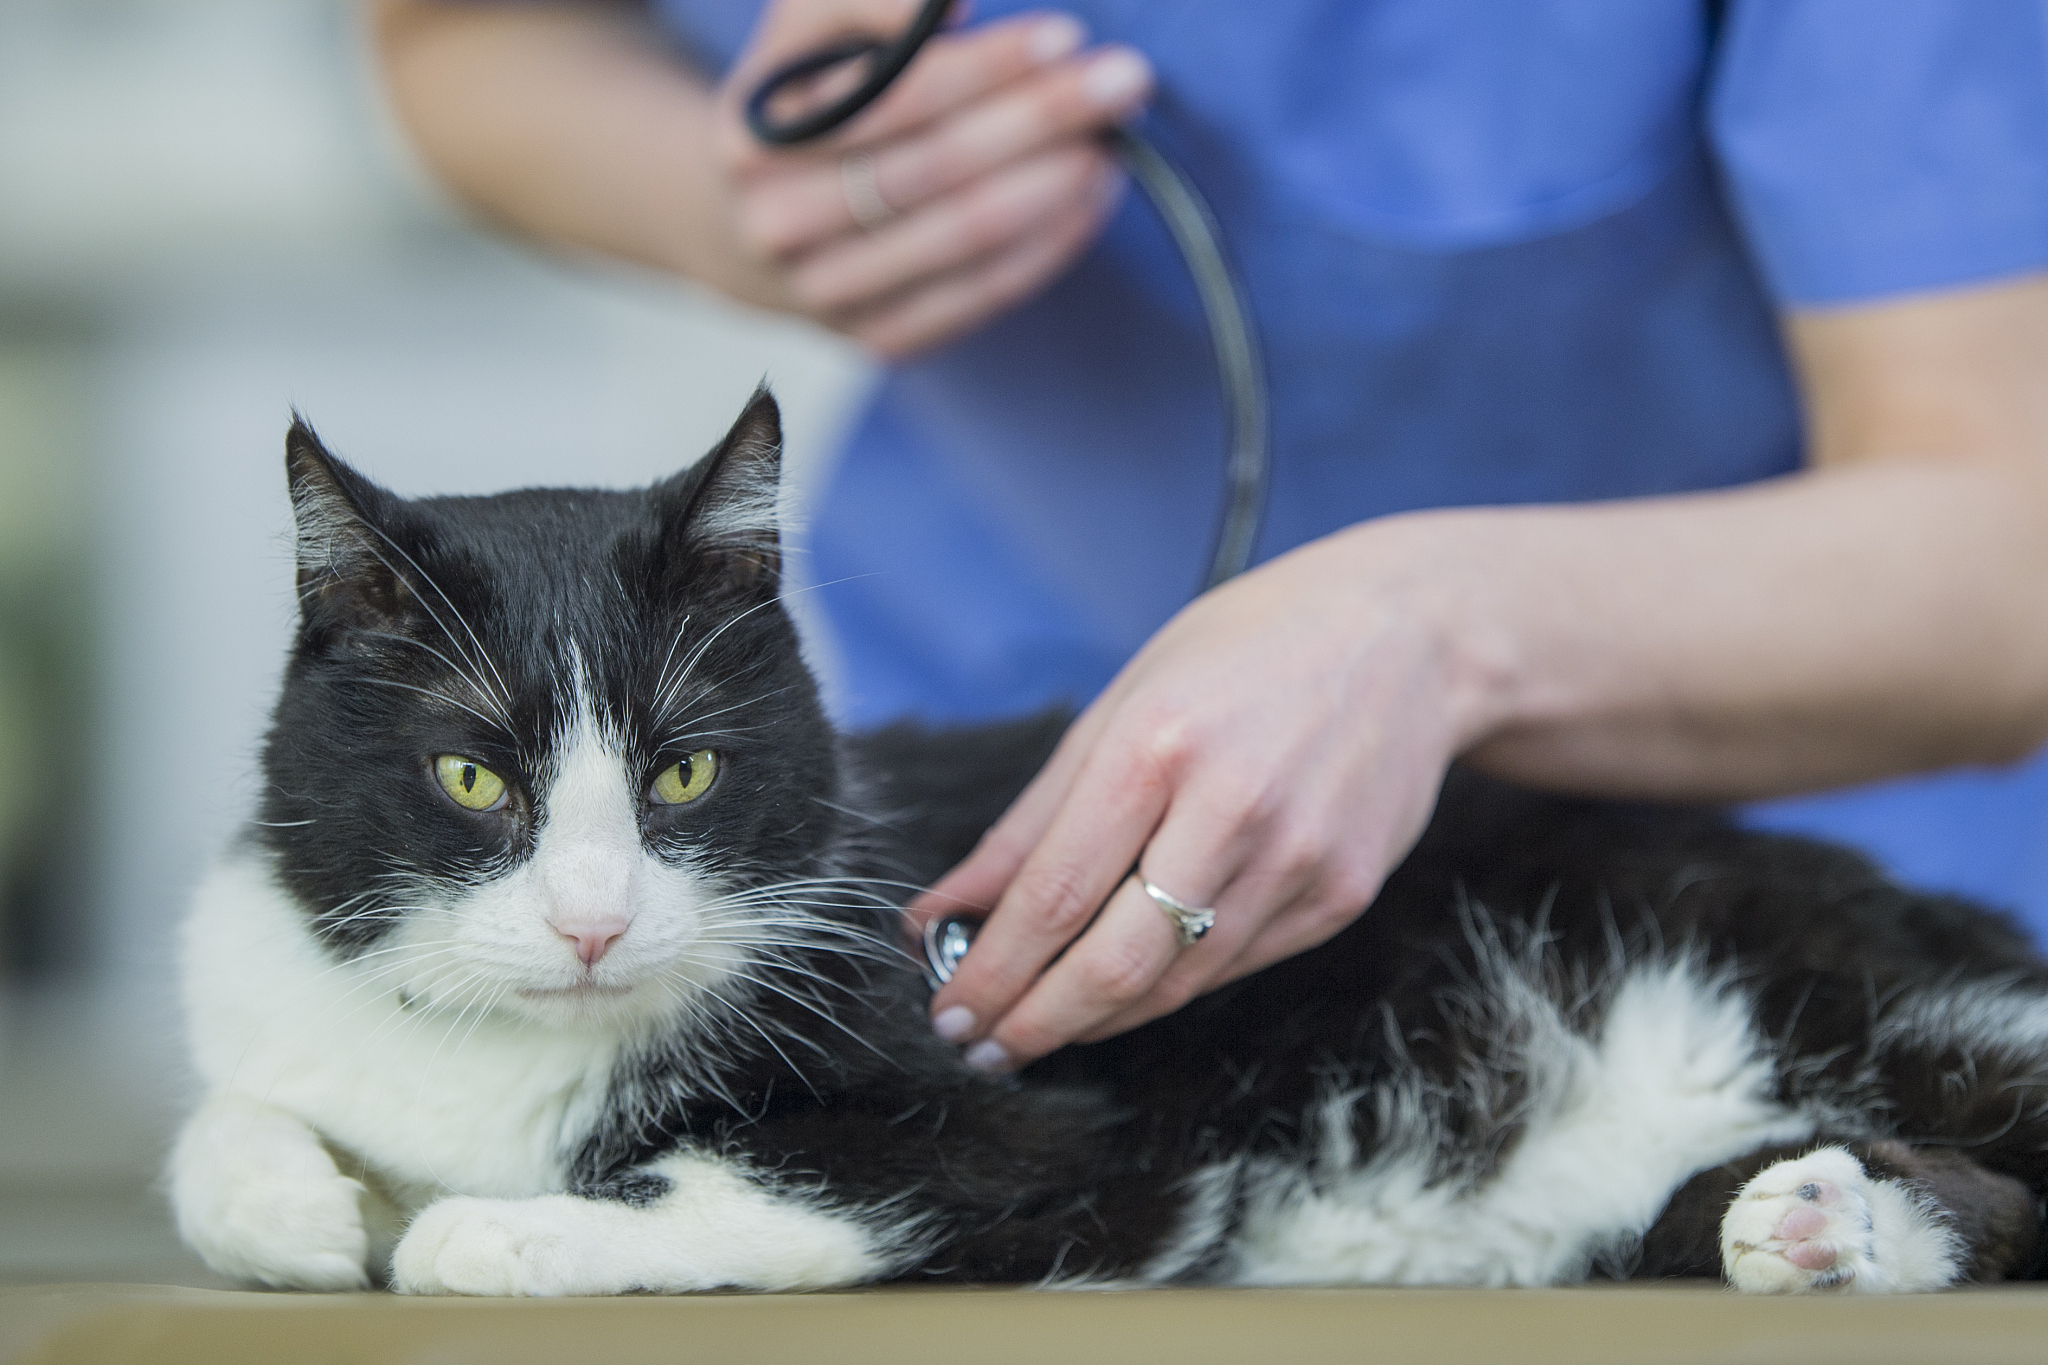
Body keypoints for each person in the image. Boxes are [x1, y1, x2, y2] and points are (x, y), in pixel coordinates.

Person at [372, 0, 2048, 1077]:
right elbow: (463, 35)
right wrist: (718, 198)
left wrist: (1431, 628)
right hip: (977, 831)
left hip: (1757, 914)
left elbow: (2007, 566)